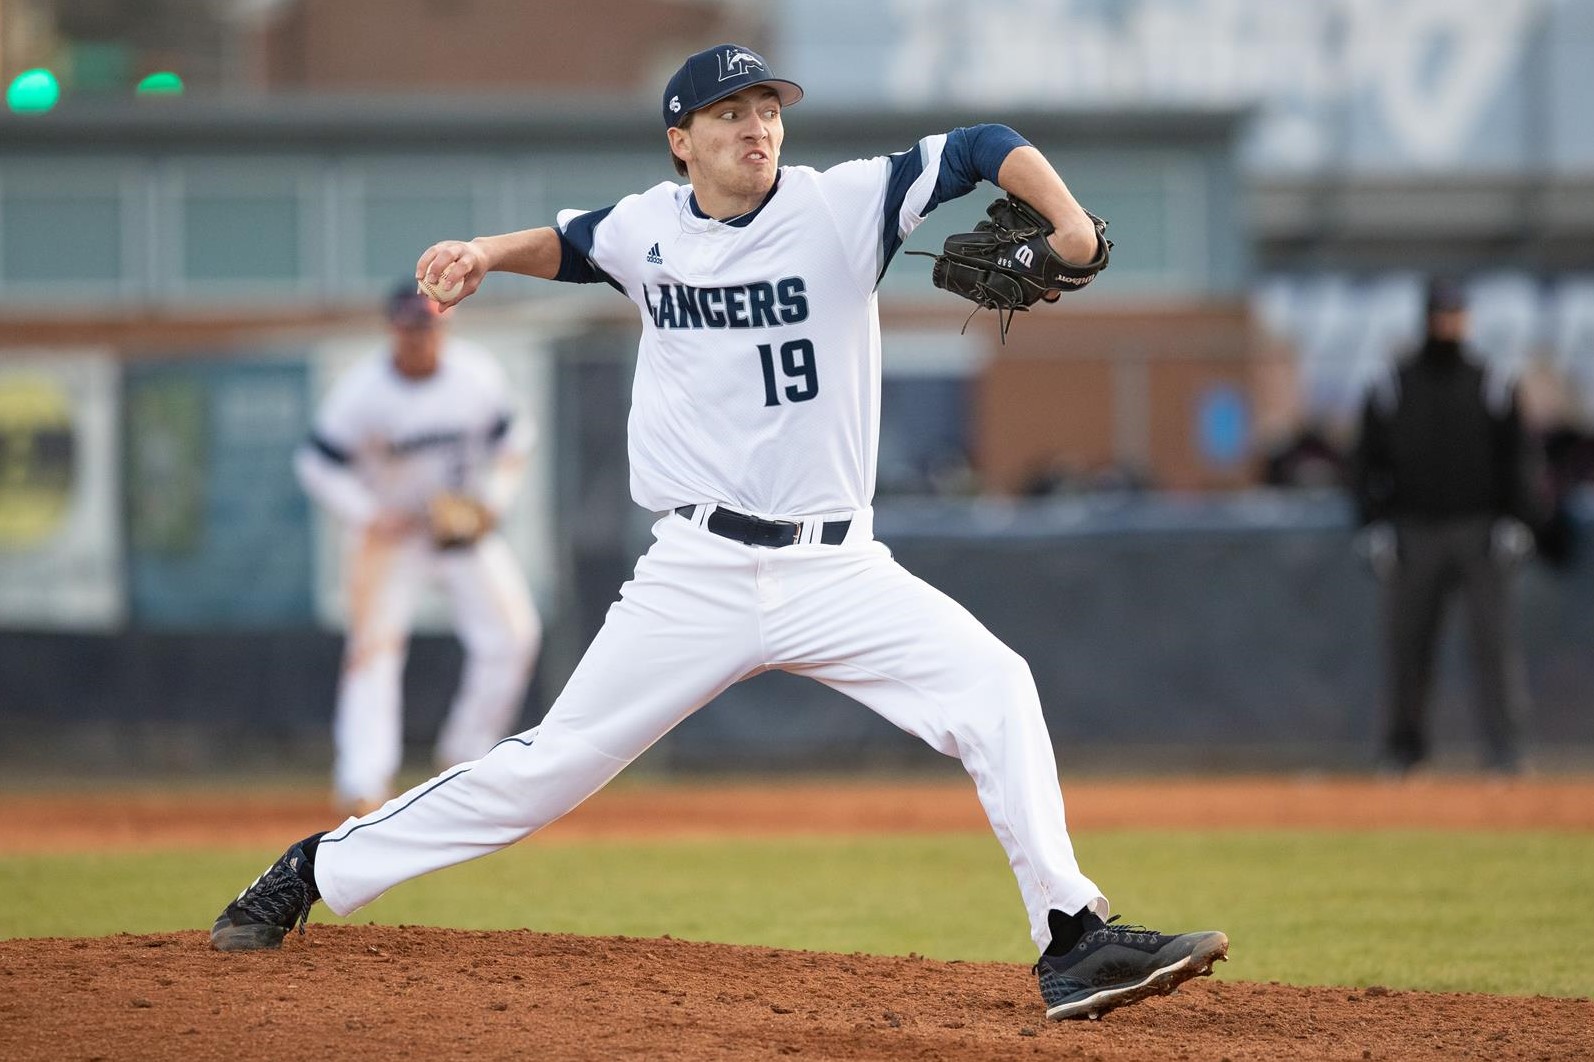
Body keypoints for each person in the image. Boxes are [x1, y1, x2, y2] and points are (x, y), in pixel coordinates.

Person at [211, 43, 1226, 1022]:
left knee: (995, 686)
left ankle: (1070, 937)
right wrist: (485, 253)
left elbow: (978, 146)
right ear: (680, 141)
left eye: (768, 109)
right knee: (549, 766)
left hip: (837, 569)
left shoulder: (842, 205)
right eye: (730, 113)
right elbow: (573, 243)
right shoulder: (649, 228)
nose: (758, 128)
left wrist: (1070, 226)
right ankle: (316, 867)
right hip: (697, 568)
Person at [295, 284, 542, 814]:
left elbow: (514, 439)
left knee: (513, 637)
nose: (420, 338)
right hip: (394, 535)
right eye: (410, 328)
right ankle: (363, 782)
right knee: (374, 651)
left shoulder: (474, 375)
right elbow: (316, 465)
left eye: (428, 327)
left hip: (458, 529)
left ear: (443, 328)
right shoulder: (364, 391)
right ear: (393, 330)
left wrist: (493, 501)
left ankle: (466, 763)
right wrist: (368, 513)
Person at [1350, 278, 1540, 775]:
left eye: (1456, 315)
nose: (1449, 324)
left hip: (1479, 528)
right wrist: (1374, 523)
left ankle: (1505, 751)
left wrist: (1517, 518)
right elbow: (1366, 460)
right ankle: (1404, 750)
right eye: (1441, 315)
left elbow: (1518, 455)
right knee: (1408, 646)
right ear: (1428, 319)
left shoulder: (1491, 381)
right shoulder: (1395, 384)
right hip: (1414, 530)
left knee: (1493, 645)